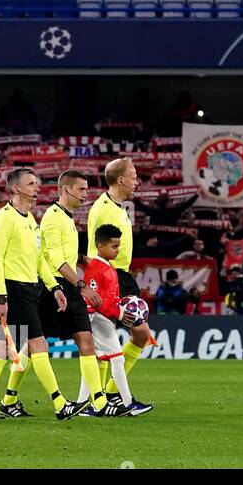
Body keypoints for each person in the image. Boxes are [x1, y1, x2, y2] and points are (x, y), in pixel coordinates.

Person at [0, 167, 85, 421]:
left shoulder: (30, 219)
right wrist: (0, 296)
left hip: (31, 289)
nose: (38, 187)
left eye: (38, 183)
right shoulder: (4, 218)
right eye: (32, 183)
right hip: (14, 289)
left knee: (3, 347)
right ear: (16, 188)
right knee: (37, 344)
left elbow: (40, 259)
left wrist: (54, 288)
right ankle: (60, 403)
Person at [39, 171, 131, 417]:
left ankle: (99, 403)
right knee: (30, 346)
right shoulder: (52, 218)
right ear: (66, 190)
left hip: (70, 286)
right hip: (54, 286)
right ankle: (8, 397)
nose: (85, 194)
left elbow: (66, 255)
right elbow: (56, 260)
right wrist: (82, 285)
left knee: (86, 341)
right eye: (81, 189)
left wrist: (86, 262)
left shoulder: (67, 217)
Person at [85, 157, 153, 412]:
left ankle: (110, 395)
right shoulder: (103, 209)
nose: (137, 180)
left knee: (135, 335)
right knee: (109, 339)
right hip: (108, 276)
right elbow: (97, 250)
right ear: (121, 179)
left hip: (121, 275)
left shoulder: (118, 206)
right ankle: (101, 399)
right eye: (133, 175)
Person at [82, 225, 152, 416]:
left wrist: (119, 307)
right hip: (96, 319)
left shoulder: (108, 267)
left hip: (104, 318)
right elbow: (96, 301)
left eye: (118, 246)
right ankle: (128, 404)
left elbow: (110, 299)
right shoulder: (95, 269)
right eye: (114, 246)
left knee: (95, 360)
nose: (117, 250)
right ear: (99, 246)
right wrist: (120, 313)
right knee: (116, 359)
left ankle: (82, 404)